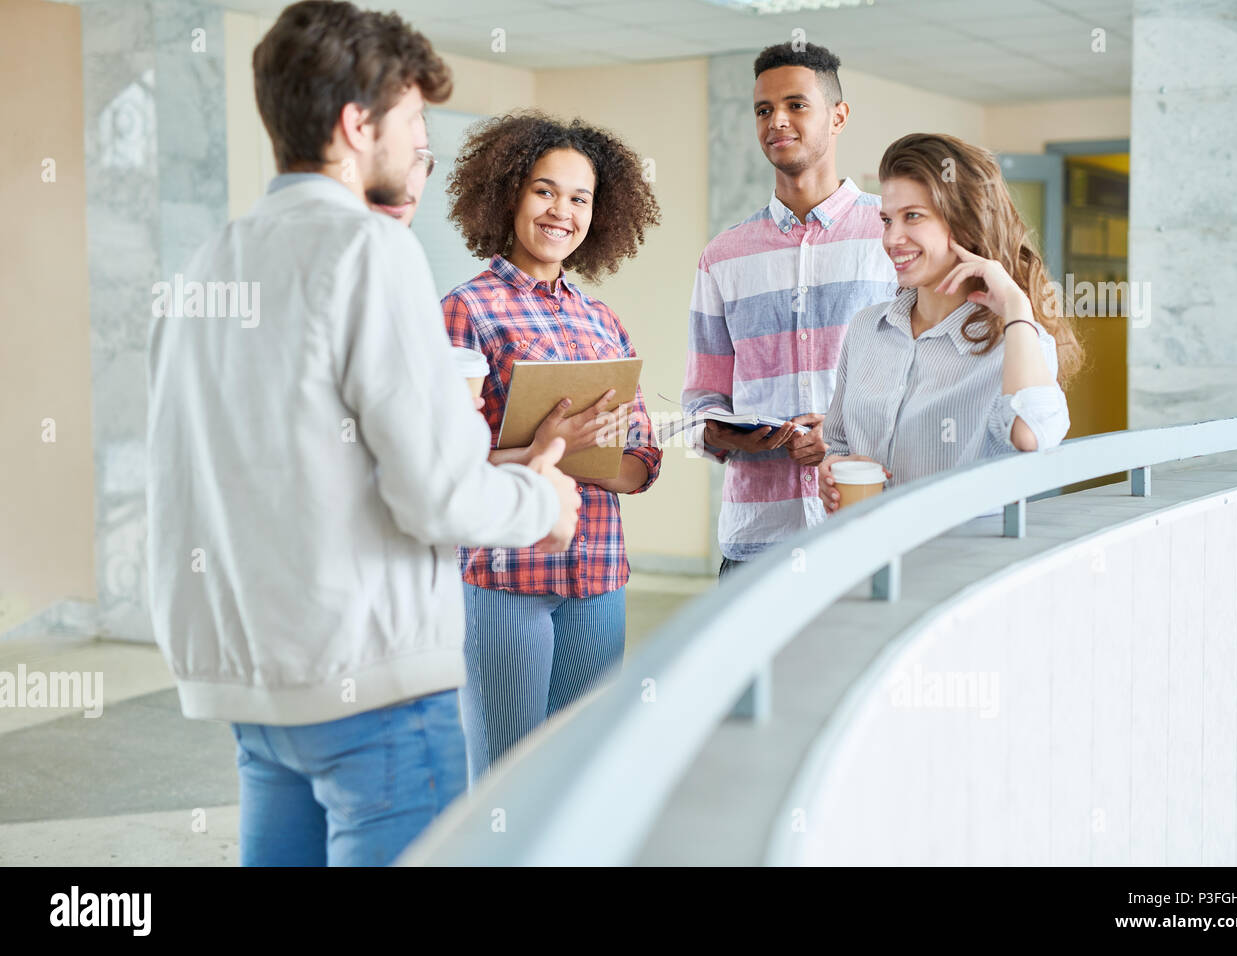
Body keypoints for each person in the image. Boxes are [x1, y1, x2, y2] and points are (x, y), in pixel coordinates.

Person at [145, 0, 580, 867]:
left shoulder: (206, 264)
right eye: (412, 123)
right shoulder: (369, 252)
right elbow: (437, 494)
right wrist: (543, 498)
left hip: (256, 689)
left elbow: (201, 472)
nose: (422, 147)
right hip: (373, 692)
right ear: (356, 125)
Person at [441, 111, 663, 780]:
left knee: (582, 771)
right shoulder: (465, 310)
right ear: (508, 192)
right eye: (544, 190)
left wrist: (583, 449)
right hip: (504, 576)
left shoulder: (603, 321)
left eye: (579, 197)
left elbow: (639, 462)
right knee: (508, 777)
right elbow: (441, 459)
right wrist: (548, 445)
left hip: (598, 574)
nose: (561, 211)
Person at [680, 42, 895, 577]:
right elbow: (700, 401)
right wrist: (719, 431)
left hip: (863, 525)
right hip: (756, 540)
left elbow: (924, 382)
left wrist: (845, 432)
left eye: (797, 105)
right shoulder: (723, 257)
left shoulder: (892, 235)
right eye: (763, 109)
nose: (777, 120)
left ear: (838, 116)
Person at [818, 132, 1084, 513]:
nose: (892, 238)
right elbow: (839, 444)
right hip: (867, 560)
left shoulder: (1016, 340)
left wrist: (1015, 305)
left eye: (913, 216)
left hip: (959, 564)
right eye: (887, 219)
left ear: (964, 223)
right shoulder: (866, 328)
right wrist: (832, 472)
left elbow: (1033, 435)